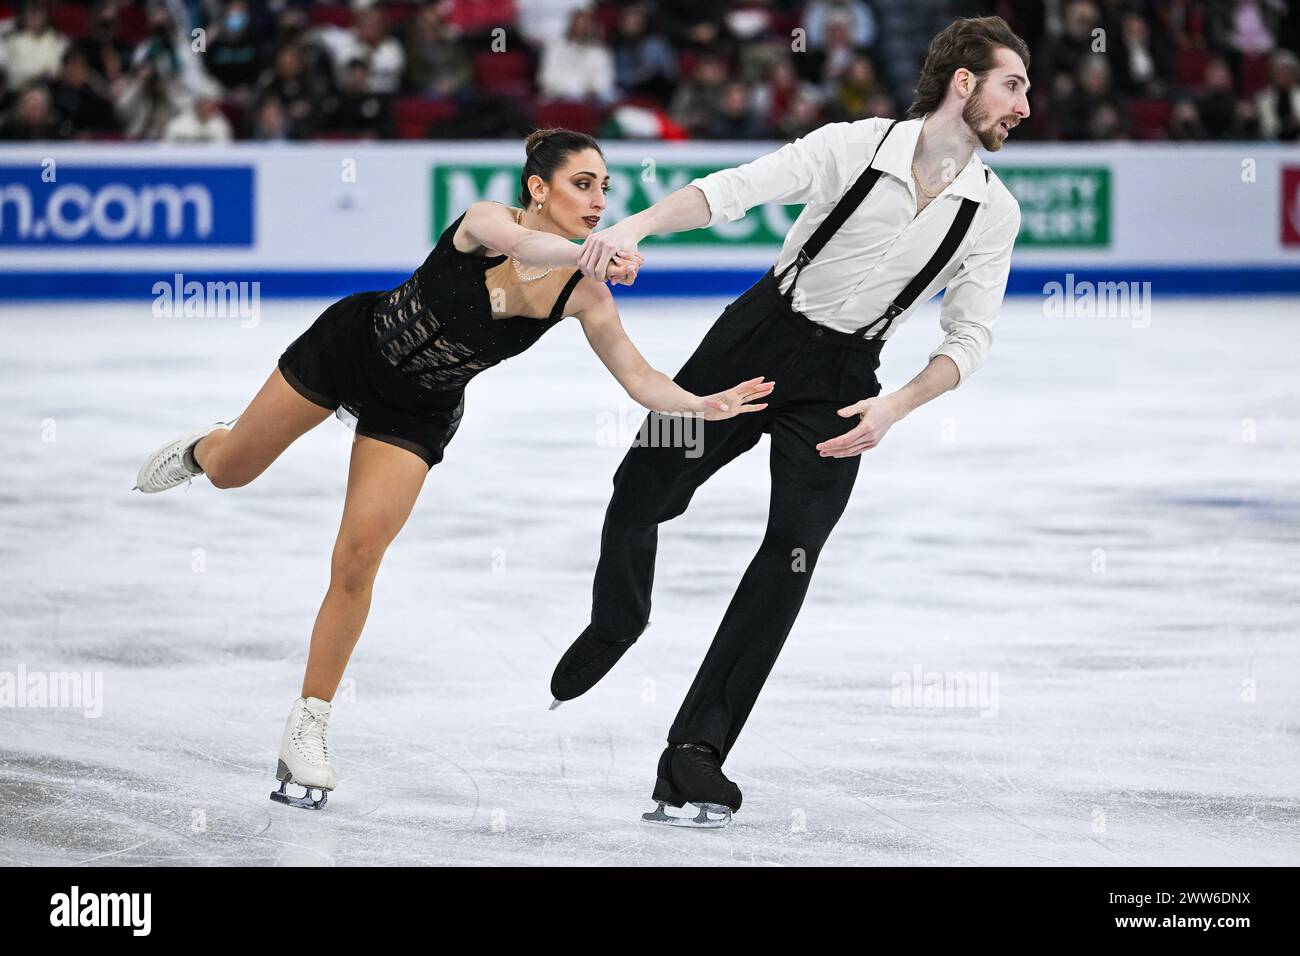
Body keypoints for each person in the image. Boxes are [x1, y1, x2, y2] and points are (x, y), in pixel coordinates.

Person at [133, 128, 774, 810]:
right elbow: (528, 247)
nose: (596, 200)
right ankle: (210, 446)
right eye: (582, 184)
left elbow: (641, 379)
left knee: (357, 556)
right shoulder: (488, 222)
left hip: (417, 413)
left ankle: (308, 726)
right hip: (349, 347)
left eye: (604, 189)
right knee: (234, 471)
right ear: (538, 187)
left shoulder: (585, 294)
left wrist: (703, 403)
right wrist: (595, 249)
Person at [551, 16, 1029, 827]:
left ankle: (695, 753)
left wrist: (895, 407)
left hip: (848, 384)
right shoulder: (855, 145)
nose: (1025, 105)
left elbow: (970, 336)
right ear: (963, 82)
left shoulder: (992, 213)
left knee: (791, 559)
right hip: (759, 337)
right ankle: (618, 616)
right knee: (645, 481)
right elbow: (734, 189)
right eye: (1013, 85)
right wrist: (630, 226)